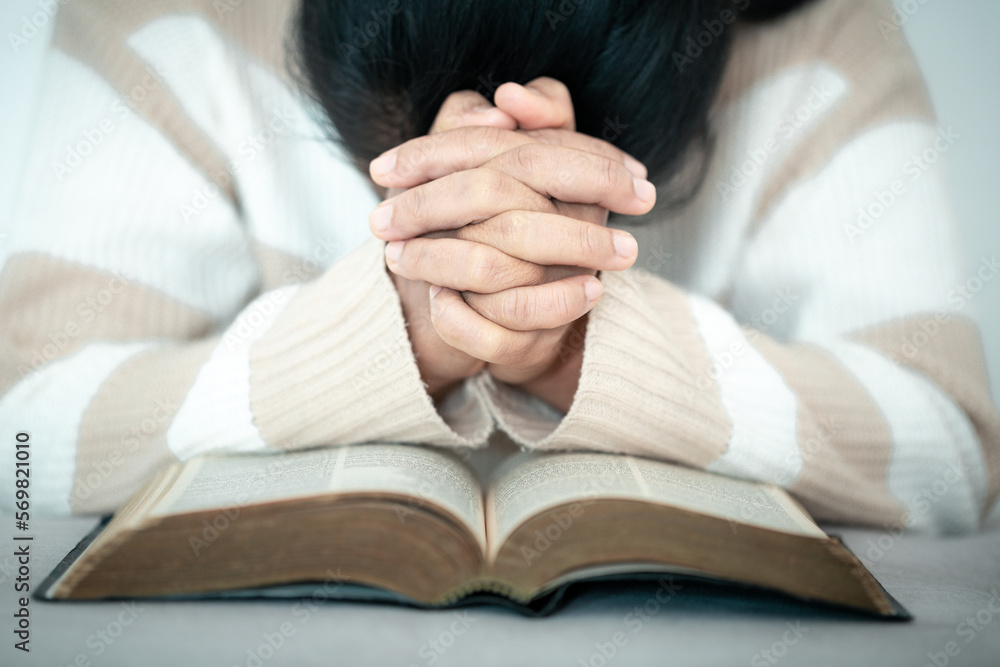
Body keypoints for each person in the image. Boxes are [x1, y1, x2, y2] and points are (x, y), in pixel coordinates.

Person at [1, 0, 996, 534]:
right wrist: (398, 325)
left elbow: (950, 449)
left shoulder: (820, 27)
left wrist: (582, 336)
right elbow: (21, 434)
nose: (492, 182)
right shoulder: (160, 15)